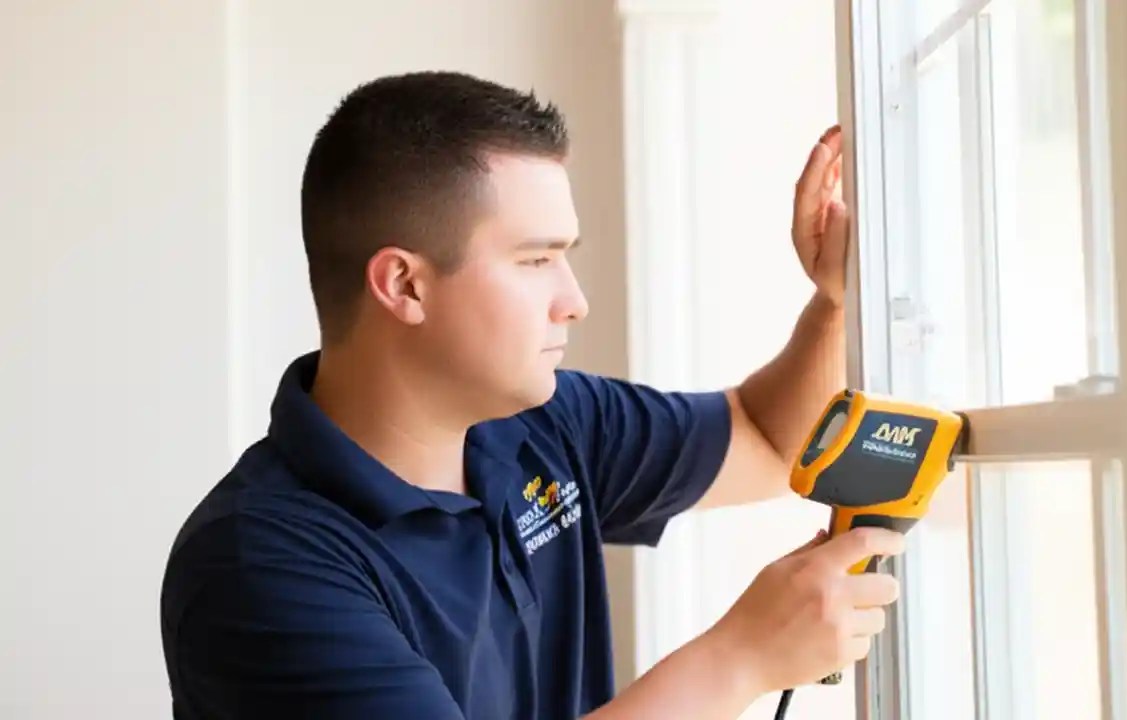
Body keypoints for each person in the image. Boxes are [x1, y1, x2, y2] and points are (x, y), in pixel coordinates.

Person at [159, 70, 904, 719]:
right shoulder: (258, 565)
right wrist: (742, 657)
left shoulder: (547, 426)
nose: (573, 300)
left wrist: (834, 302)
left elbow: (771, 441)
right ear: (404, 285)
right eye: (536, 259)